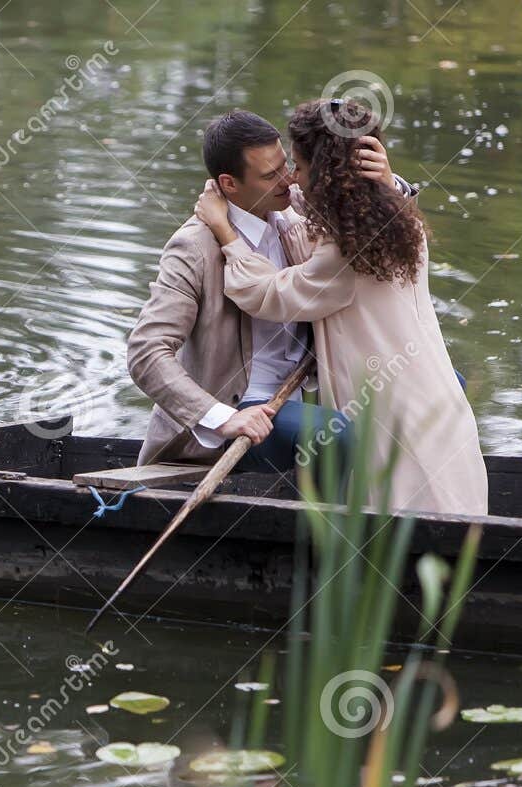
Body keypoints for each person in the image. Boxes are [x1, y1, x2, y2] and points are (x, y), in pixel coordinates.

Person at [193, 99, 489, 517]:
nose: (292, 179)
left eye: (297, 166)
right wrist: (392, 182)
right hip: (437, 404)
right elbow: (310, 203)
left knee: (399, 528)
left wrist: (225, 231)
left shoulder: (345, 252)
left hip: (391, 420)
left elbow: (266, 294)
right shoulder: (399, 219)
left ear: (328, 177)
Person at [127, 108, 407, 474]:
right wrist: (224, 418)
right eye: (270, 175)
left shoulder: (293, 213)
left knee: (434, 388)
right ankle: (337, 532)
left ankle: (406, 511)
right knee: (333, 436)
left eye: (286, 165)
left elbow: (364, 216)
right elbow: (146, 352)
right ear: (229, 184)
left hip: (304, 395)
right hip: (243, 411)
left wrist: (389, 183)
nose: (288, 180)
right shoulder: (193, 247)